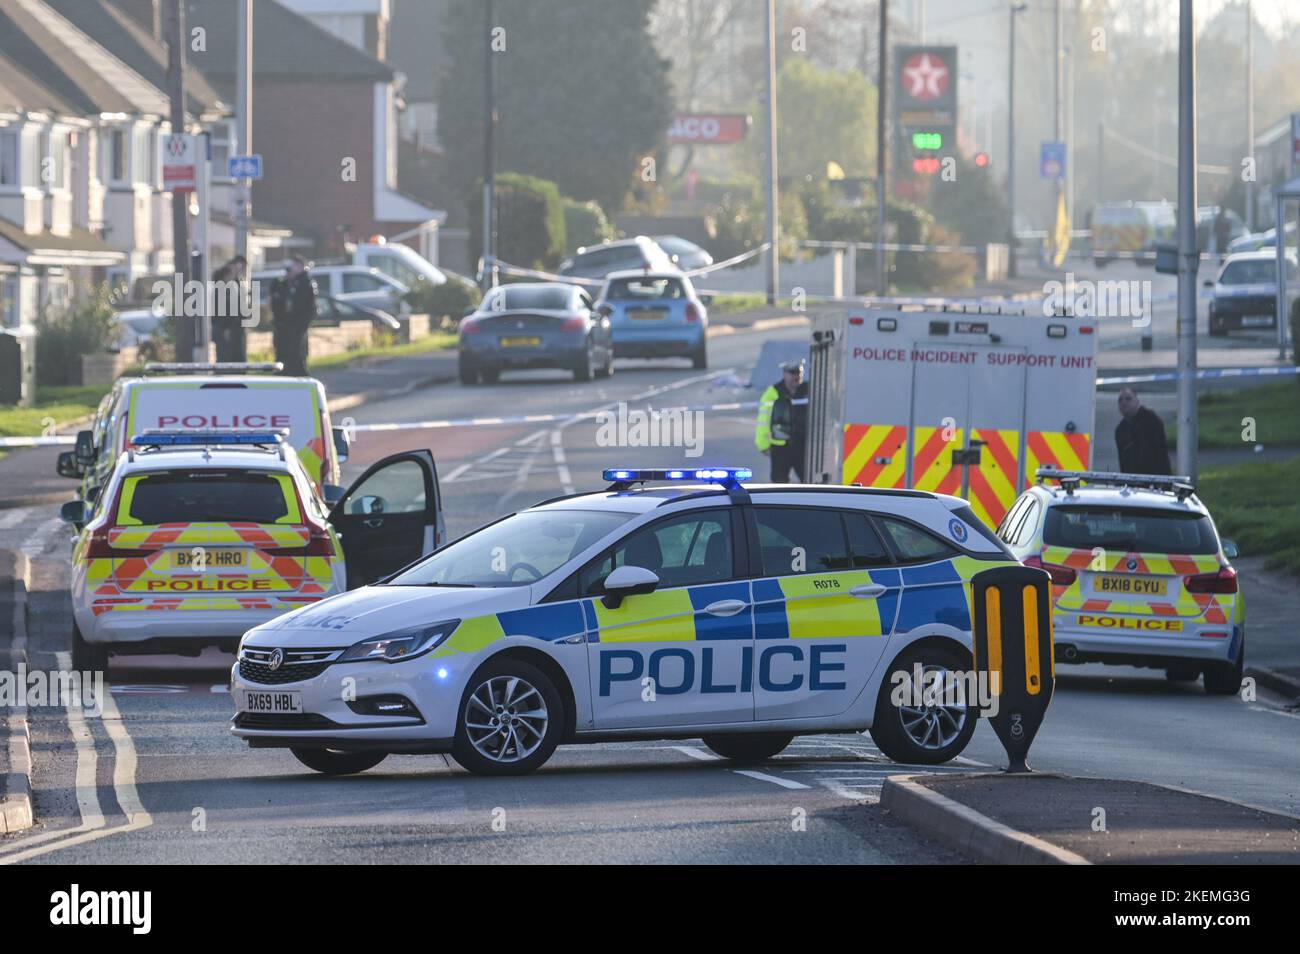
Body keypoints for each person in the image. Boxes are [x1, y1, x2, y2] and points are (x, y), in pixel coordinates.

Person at [755, 359, 809, 482]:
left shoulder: (808, 390)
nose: (797, 376)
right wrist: (763, 444)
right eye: (793, 373)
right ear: (784, 374)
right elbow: (764, 420)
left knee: (809, 483)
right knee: (779, 483)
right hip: (781, 447)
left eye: (799, 372)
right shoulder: (773, 392)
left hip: (804, 446)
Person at [270, 256, 316, 375]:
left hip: (298, 326)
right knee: (283, 353)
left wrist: (302, 323)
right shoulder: (283, 283)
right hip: (283, 326)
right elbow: (276, 301)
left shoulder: (305, 283)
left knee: (297, 353)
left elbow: (307, 307)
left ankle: (299, 373)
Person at [1115, 388, 1171, 475]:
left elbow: (1161, 453)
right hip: (1132, 481)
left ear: (1137, 402)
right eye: (1120, 400)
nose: (1124, 403)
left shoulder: (1150, 419)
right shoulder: (1120, 430)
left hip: (1155, 478)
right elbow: (1123, 462)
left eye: (1128, 399)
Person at [211, 255, 248, 363]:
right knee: (225, 356)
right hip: (225, 327)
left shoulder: (236, 283)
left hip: (235, 327)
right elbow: (223, 311)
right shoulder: (221, 286)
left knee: (237, 357)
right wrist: (226, 328)